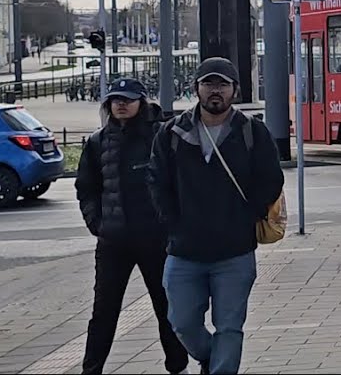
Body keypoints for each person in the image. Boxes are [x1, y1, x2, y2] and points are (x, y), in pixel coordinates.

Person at [148, 57, 284, 375]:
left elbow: (271, 179)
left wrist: (246, 216)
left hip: (234, 251)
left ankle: (222, 366)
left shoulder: (252, 133)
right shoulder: (172, 133)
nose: (215, 91)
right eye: (209, 83)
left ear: (235, 89)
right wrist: (172, 222)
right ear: (196, 88)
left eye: (222, 84)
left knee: (229, 327)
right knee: (180, 322)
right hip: (184, 250)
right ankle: (210, 356)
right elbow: (157, 181)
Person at [75, 78, 188, 375]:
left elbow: (179, 182)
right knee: (103, 313)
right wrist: (97, 223)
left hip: (156, 240)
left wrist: (172, 222)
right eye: (115, 99)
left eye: (127, 99)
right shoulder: (98, 141)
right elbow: (86, 188)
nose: (120, 104)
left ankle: (178, 367)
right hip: (113, 242)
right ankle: (91, 370)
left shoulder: (160, 136)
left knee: (167, 309)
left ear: (141, 101)